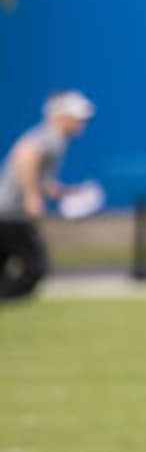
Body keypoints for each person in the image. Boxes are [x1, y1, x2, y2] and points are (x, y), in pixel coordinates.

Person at [0, 90, 94, 302]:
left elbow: (39, 178)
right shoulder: (50, 136)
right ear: (59, 116)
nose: (80, 124)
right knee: (35, 267)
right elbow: (25, 156)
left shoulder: (53, 138)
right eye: (76, 118)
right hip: (10, 214)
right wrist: (31, 197)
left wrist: (64, 193)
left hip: (7, 213)